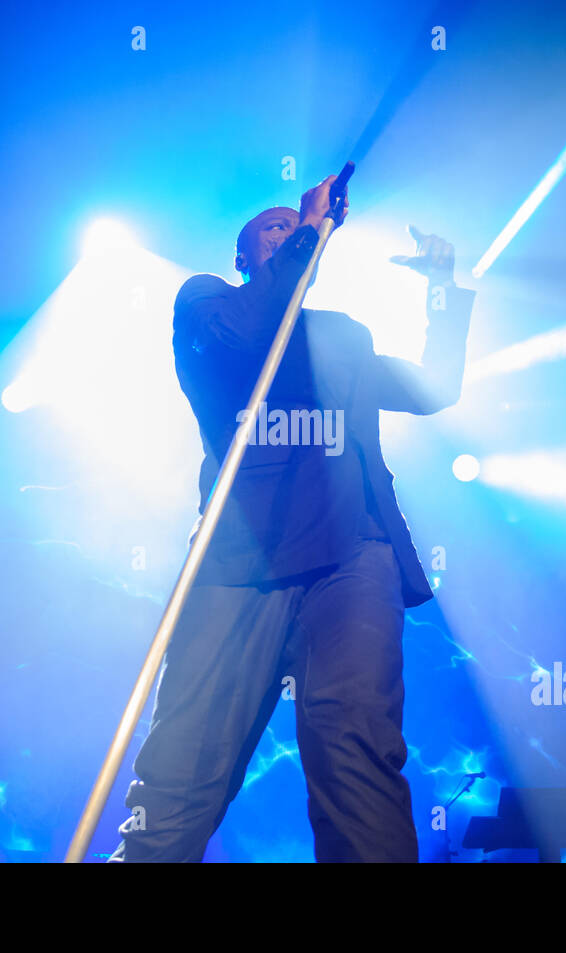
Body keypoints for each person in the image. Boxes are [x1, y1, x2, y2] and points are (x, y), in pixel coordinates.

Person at [108, 174, 475, 861]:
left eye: (294, 224)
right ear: (246, 259)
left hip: (350, 556)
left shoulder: (342, 337)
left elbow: (433, 388)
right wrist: (308, 232)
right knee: (182, 768)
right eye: (271, 229)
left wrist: (443, 291)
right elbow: (246, 338)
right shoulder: (207, 307)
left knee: (356, 747)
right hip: (239, 563)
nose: (291, 229)